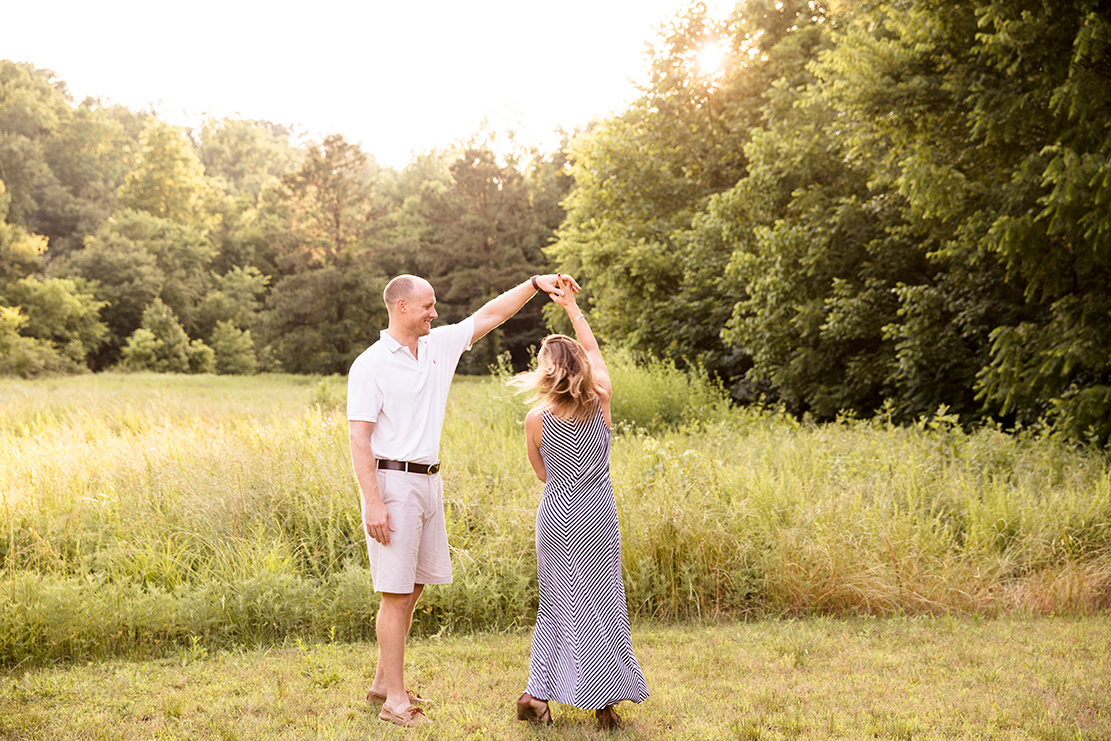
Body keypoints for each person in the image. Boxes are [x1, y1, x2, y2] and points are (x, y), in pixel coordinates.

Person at [347, 272, 580, 728]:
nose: (435, 312)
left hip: (429, 482)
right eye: (427, 305)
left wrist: (534, 284)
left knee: (411, 589)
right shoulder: (370, 364)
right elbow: (359, 439)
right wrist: (373, 502)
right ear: (401, 307)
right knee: (395, 595)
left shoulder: (438, 346)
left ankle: (381, 684)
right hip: (392, 486)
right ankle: (395, 703)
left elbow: (492, 314)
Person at [507, 276, 649, 730]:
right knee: (603, 608)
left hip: (556, 517)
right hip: (598, 516)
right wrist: (570, 307)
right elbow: (595, 352)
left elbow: (544, 474)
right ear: (582, 367)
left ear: (546, 370)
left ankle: (536, 695)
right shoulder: (600, 398)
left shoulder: (535, 419)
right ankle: (604, 703)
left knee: (556, 609)